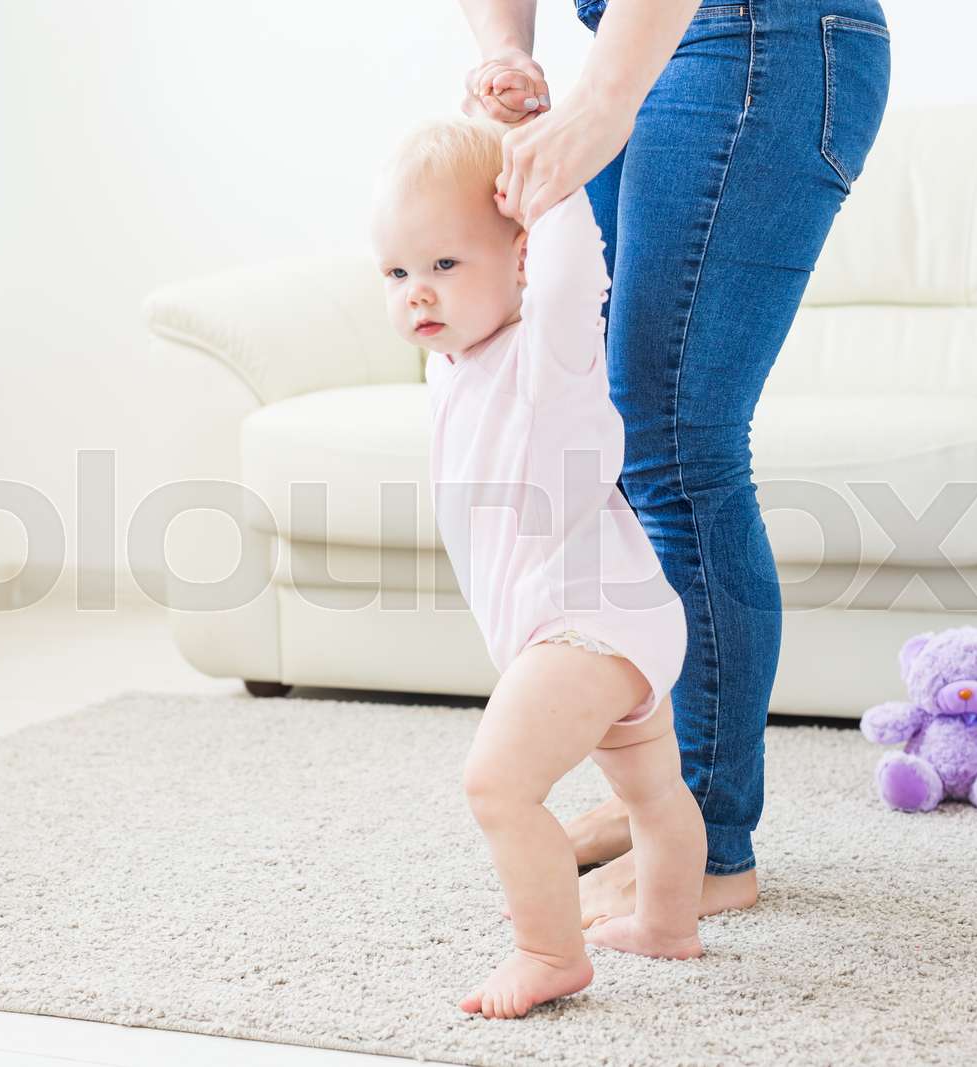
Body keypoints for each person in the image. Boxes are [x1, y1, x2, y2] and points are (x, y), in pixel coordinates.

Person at [457, 0, 891, 926]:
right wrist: (506, 52)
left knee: (677, 444)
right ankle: (658, 799)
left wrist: (606, 96)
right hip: (656, 38)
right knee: (616, 438)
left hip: (756, 34)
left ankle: (708, 844)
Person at [371, 116, 708, 1019]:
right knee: (650, 785)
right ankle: (668, 924)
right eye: (398, 272)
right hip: (620, 608)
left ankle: (548, 951)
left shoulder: (545, 353)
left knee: (497, 783)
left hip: (584, 621)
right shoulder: (453, 363)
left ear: (521, 260)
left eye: (446, 265)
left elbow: (568, 276)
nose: (418, 294)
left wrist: (547, 178)